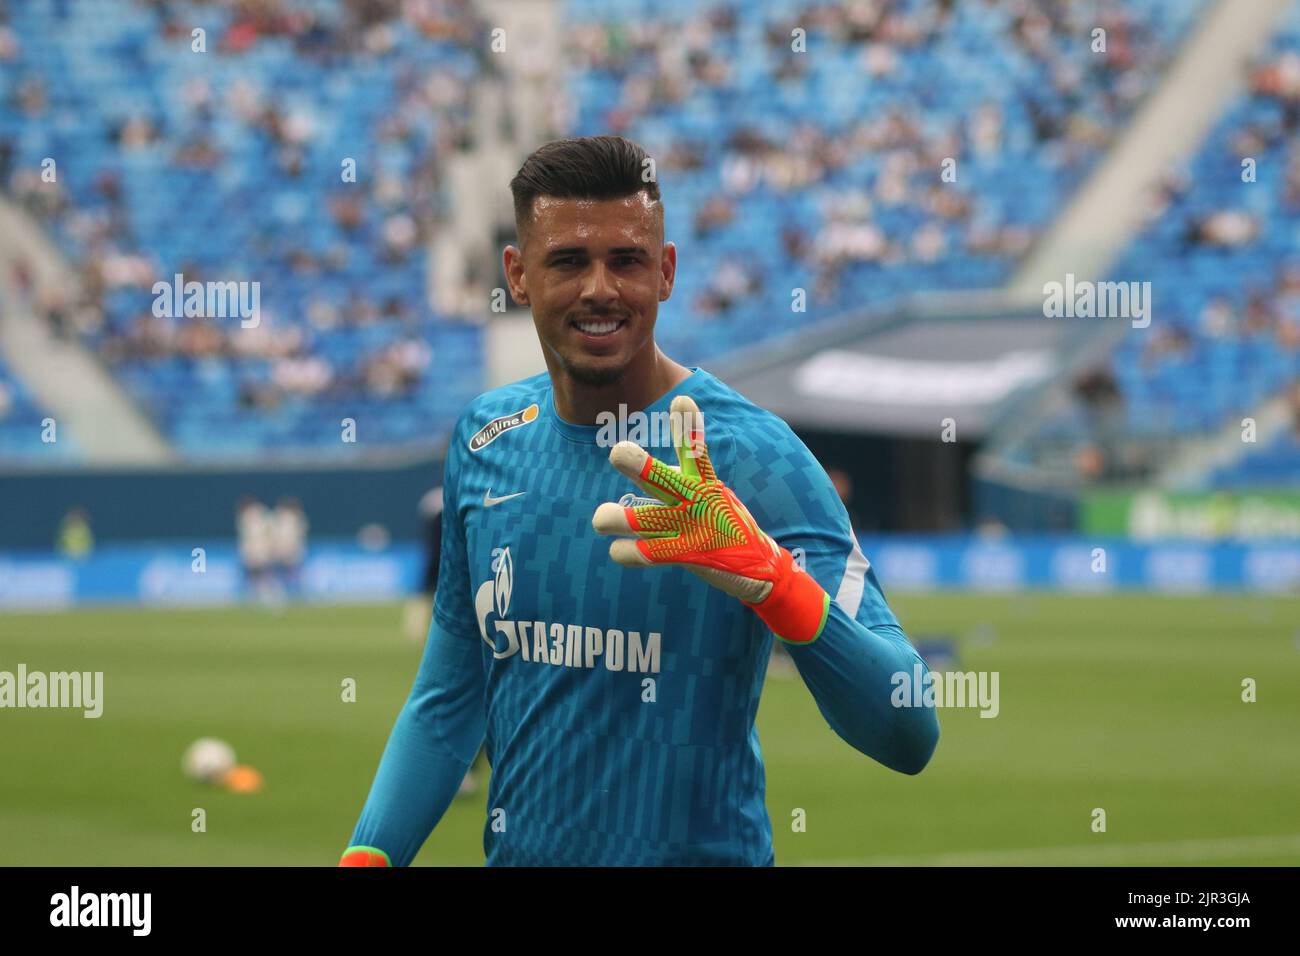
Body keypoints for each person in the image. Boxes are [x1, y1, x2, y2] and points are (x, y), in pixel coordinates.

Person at [340, 136, 938, 868]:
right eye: (568, 261)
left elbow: (910, 732)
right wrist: (368, 857)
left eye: (626, 260)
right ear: (518, 275)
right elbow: (445, 703)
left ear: (666, 272)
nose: (600, 288)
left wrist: (777, 583)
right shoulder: (485, 440)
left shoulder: (757, 457)